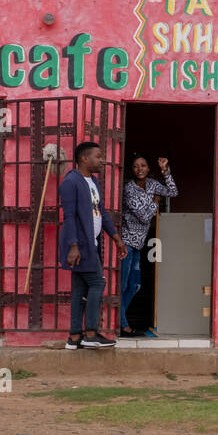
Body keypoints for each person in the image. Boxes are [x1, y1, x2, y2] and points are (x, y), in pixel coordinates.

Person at [58, 141, 127, 349]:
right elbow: (69, 217)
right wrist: (73, 245)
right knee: (98, 283)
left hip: (91, 243)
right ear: (83, 158)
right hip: (81, 245)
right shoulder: (70, 182)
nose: (102, 160)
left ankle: (74, 337)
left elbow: (101, 212)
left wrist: (115, 237)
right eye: (98, 156)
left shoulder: (94, 182)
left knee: (80, 288)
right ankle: (91, 333)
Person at [119, 154, 178, 335]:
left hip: (139, 244)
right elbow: (144, 217)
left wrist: (165, 171)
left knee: (135, 286)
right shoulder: (129, 189)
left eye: (143, 165)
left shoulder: (153, 184)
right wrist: (154, 204)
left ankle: (118, 318)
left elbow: (173, 192)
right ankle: (121, 323)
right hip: (126, 242)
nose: (140, 169)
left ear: (148, 168)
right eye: (136, 166)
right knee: (122, 286)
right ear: (132, 169)